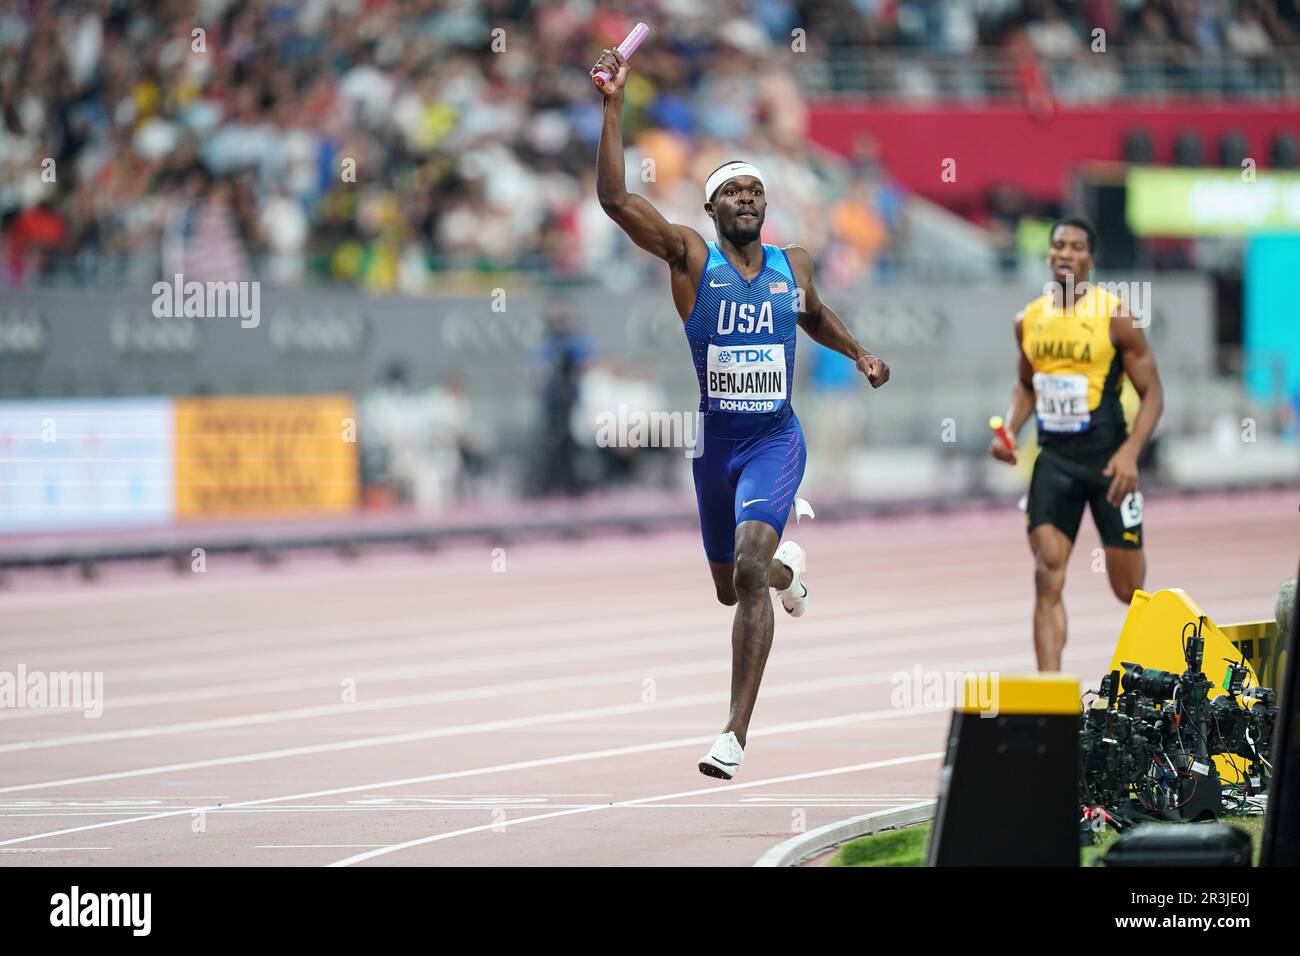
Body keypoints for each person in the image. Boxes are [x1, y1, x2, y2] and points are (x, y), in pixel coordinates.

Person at [591, 47, 891, 779]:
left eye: (756, 191)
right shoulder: (690, 258)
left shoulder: (796, 265)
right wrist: (611, 105)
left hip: (774, 441)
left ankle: (733, 735)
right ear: (711, 208)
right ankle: (791, 570)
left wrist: (858, 353)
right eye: (735, 193)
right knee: (734, 585)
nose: (748, 200)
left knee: (748, 574)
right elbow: (614, 202)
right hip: (713, 448)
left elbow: (814, 316)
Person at [991, 216, 1164, 672]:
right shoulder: (1028, 320)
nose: (1065, 253)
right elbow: (1026, 385)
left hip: (1110, 464)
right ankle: (1050, 696)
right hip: (1055, 461)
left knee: (1128, 589)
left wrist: (1131, 452)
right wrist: (1012, 430)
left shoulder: (1115, 316)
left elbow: (1154, 394)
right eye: (1058, 245)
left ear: (1089, 258)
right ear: (1049, 254)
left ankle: (1156, 682)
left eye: (1075, 246)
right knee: (1048, 573)